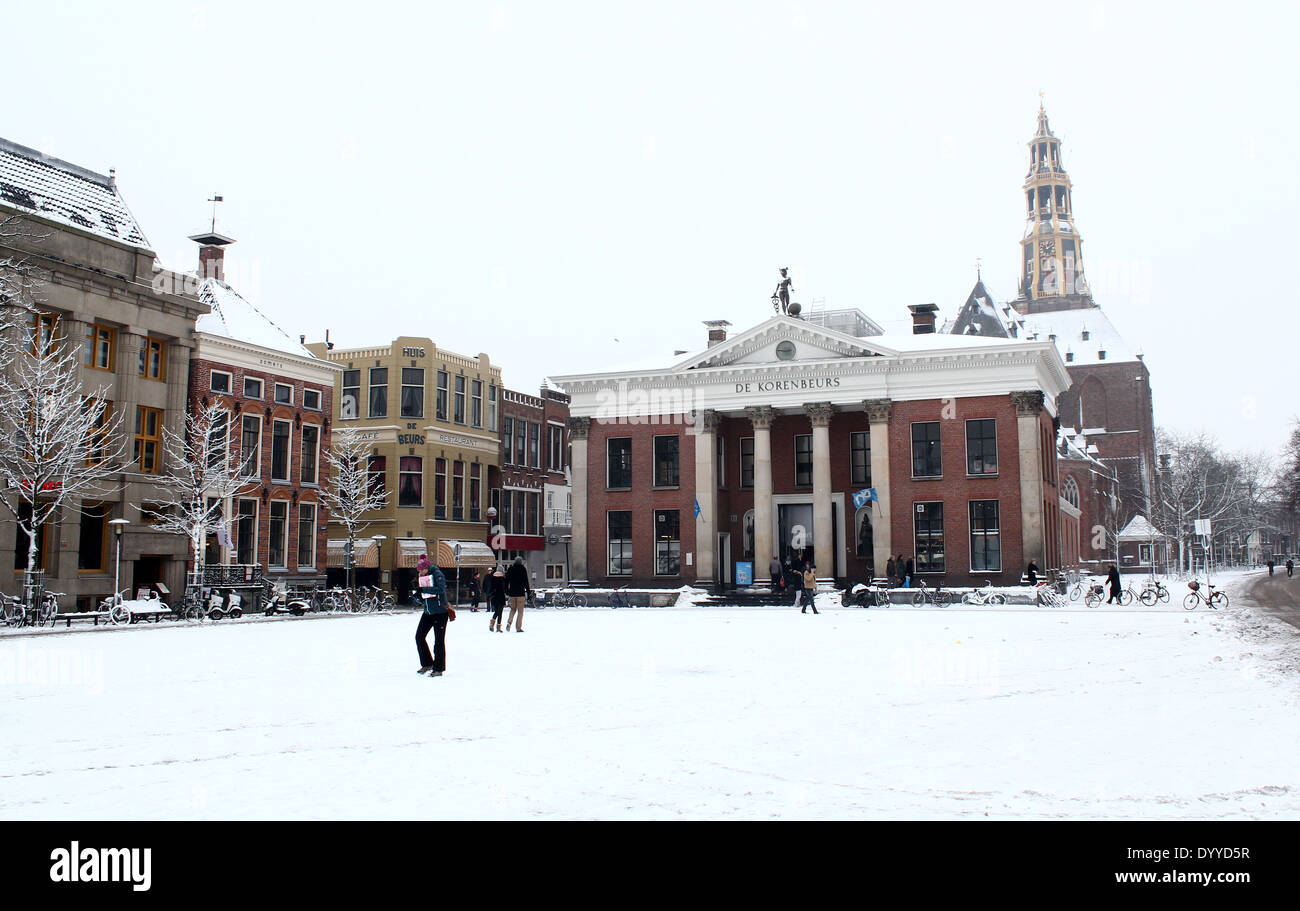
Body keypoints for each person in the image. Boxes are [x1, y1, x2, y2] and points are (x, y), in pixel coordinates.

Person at [415, 561, 455, 676]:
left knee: (438, 641)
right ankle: (427, 663)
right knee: (419, 636)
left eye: (421, 570)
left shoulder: (438, 574)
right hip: (428, 612)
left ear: (427, 568)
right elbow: (426, 596)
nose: (420, 572)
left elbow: (441, 589)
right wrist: (418, 594)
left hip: (440, 612)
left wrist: (424, 590)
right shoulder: (424, 576)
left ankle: (439, 668)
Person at [504, 556, 532, 632]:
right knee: (520, 611)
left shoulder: (510, 569)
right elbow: (526, 582)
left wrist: (507, 591)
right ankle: (518, 628)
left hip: (512, 593)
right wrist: (528, 593)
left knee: (513, 609)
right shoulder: (523, 569)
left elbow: (506, 581)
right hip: (520, 593)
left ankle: (509, 622)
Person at [486, 566, 507, 632]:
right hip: (501, 596)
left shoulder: (493, 577)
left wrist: (490, 595)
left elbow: (491, 587)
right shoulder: (502, 578)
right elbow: (504, 588)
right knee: (500, 612)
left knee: (497, 611)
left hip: (494, 597)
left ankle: (493, 624)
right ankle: (497, 626)